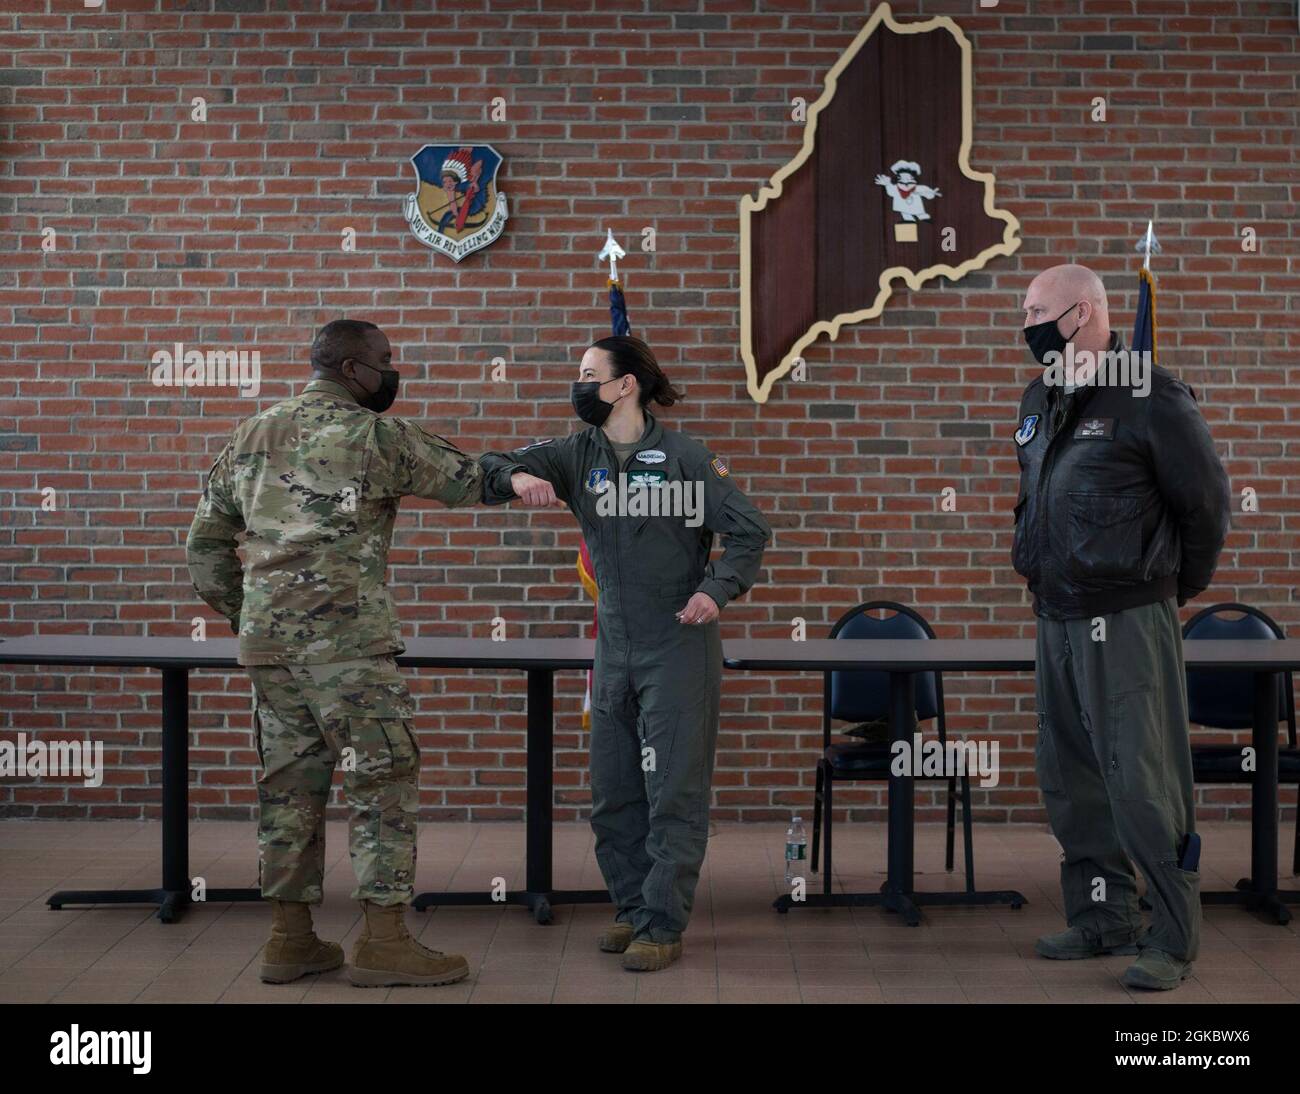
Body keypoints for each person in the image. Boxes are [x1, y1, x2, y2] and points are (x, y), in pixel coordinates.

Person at [185, 319, 547, 988]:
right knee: (382, 783)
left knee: (288, 789)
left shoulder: (251, 434)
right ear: (354, 370)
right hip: (349, 650)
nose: (392, 370)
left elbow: (204, 545)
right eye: (385, 361)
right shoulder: (375, 436)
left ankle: (290, 942)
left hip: (271, 653)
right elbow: (468, 480)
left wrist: (253, 616)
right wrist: (524, 474)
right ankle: (384, 943)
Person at [479, 335, 771, 971]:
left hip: (677, 643)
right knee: (613, 792)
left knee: (673, 791)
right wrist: (521, 475)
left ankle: (662, 924)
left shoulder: (685, 457)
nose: (579, 384)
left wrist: (717, 589)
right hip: (613, 645)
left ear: (625, 384)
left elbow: (750, 530)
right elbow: (492, 463)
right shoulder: (577, 452)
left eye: (589, 374)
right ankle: (635, 909)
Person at [1012, 264, 1231, 990]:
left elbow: (1206, 505)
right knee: (1071, 779)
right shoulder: (1040, 396)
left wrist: (1171, 589)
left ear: (1083, 313)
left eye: (1038, 310)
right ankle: (1104, 918)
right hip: (1056, 615)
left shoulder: (1150, 394)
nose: (1027, 324)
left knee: (1142, 780)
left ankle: (1172, 938)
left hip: (1129, 617)